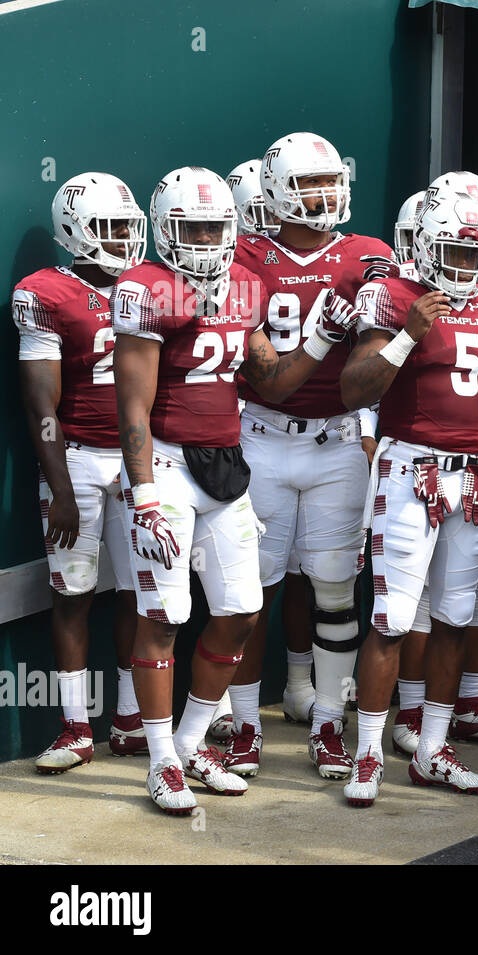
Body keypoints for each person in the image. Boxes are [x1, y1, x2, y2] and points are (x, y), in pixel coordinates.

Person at [112, 165, 358, 814]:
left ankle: (192, 740)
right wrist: (141, 495)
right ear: (165, 230)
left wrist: (324, 335)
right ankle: (161, 757)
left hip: (225, 465)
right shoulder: (146, 288)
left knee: (244, 610)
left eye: (216, 226)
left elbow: (271, 381)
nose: (204, 238)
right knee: (163, 616)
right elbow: (132, 407)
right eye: (191, 226)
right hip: (165, 463)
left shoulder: (246, 285)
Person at [337, 193, 478, 806]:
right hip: (408, 466)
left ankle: (433, 748)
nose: (463, 265)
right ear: (422, 247)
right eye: (452, 251)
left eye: (474, 252)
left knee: (453, 619)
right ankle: (367, 755)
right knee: (390, 621)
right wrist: (406, 336)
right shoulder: (391, 295)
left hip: (471, 477)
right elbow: (352, 386)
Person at [222, 133, 394, 780]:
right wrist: (323, 335)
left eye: (329, 181)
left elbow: (374, 356)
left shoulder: (368, 254)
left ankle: (327, 721)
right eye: (307, 184)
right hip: (262, 435)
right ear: (272, 191)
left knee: (333, 585)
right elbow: (267, 378)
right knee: (249, 592)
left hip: (339, 438)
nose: (323, 195)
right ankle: (245, 725)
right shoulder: (242, 255)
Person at [15, 173, 149, 771]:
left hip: (142, 460)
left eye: (127, 225)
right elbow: (42, 407)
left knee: (138, 593)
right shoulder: (45, 294)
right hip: (76, 462)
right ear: (74, 231)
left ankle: (127, 720)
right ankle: (74, 727)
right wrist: (61, 489)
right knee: (72, 594)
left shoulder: (151, 286)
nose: (122, 238)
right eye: (109, 227)